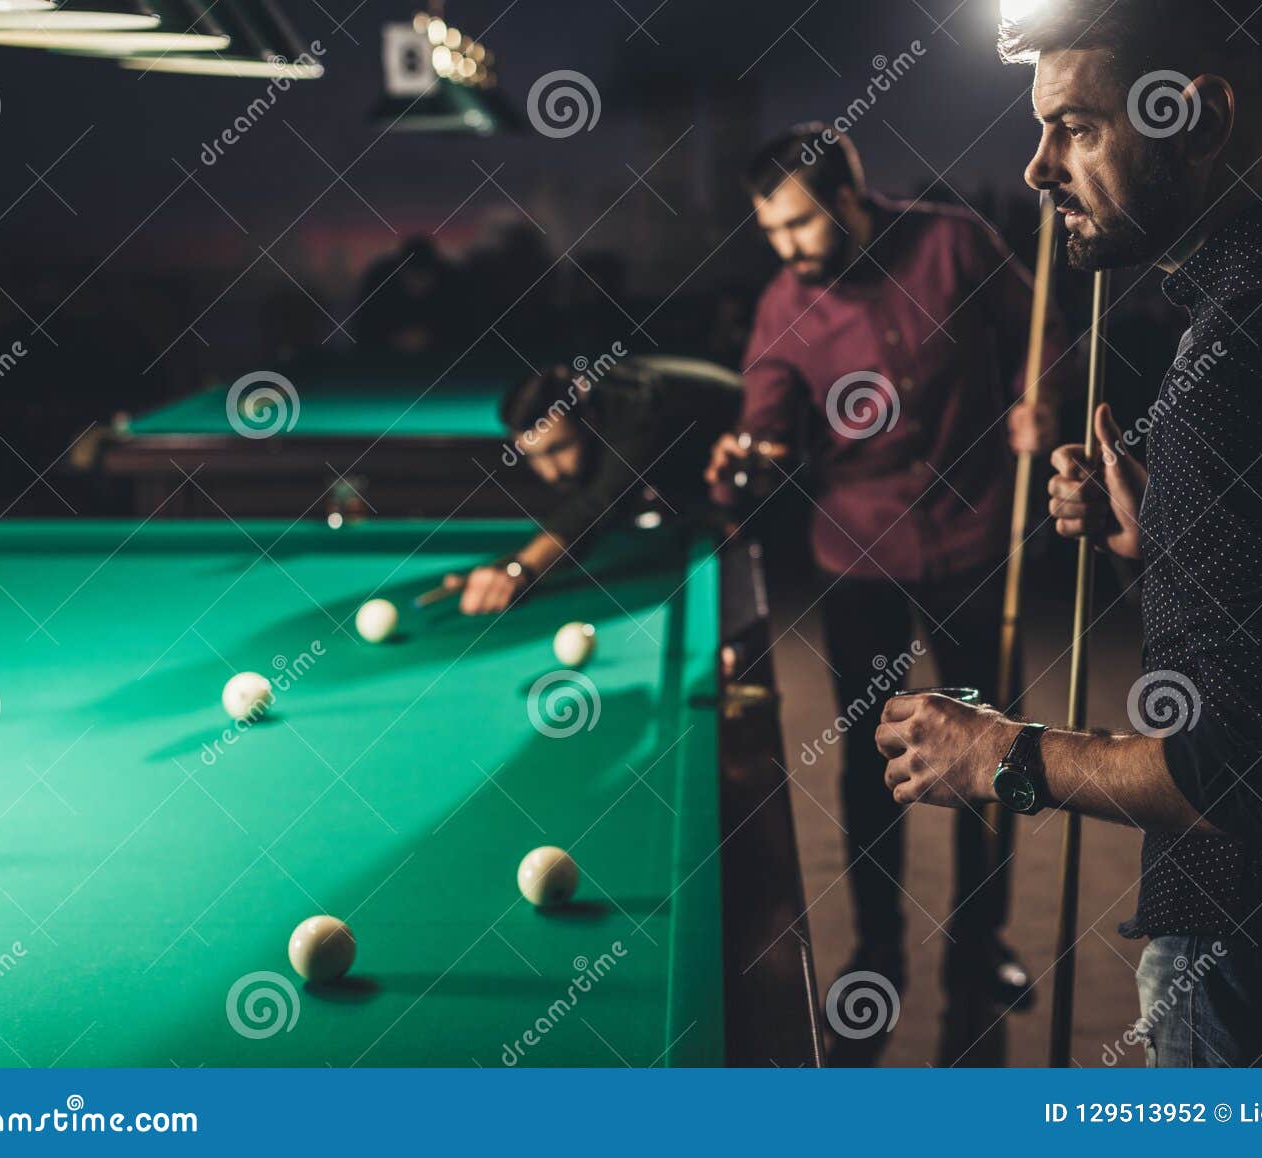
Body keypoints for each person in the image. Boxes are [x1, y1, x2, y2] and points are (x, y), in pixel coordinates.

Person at [878, 0, 1262, 1067]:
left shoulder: (1242, 357)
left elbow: (1245, 771)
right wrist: (1172, 539)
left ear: (1198, 117)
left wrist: (996, 755)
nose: (1036, 167)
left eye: (1076, 127)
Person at [706, 126, 1076, 1065]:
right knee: (875, 756)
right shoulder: (783, 305)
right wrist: (754, 455)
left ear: (847, 197)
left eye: (798, 224)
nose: (785, 246)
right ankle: (876, 948)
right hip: (857, 548)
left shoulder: (952, 240)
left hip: (974, 533)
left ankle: (980, 941)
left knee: (993, 745)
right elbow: (765, 420)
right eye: (770, 230)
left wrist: (1038, 397)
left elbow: (1041, 329)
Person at [447, 356, 741, 615]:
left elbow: (595, 506)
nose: (551, 472)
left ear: (589, 422)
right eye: (534, 456)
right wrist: (509, 564)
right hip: (700, 465)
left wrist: (520, 569)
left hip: (752, 438)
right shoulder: (594, 411)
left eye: (558, 449)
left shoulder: (636, 411)